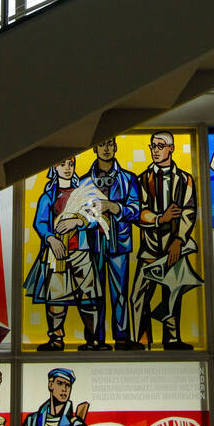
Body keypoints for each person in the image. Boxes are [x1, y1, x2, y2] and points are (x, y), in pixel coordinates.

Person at [24, 157, 105, 351]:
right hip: (57, 254)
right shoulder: (49, 195)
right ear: (54, 167)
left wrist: (79, 221)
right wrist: (51, 239)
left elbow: (96, 217)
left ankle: (93, 339)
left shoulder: (83, 193)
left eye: (70, 164)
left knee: (88, 297)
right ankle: (56, 339)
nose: (67, 168)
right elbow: (40, 222)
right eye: (62, 164)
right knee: (56, 300)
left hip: (81, 251)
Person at [131, 131, 201, 349]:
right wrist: (161, 218)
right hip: (150, 247)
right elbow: (138, 212)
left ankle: (171, 339)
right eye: (153, 145)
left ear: (171, 148)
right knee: (138, 295)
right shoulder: (142, 179)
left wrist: (179, 240)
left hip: (174, 246)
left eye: (160, 145)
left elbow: (190, 212)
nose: (155, 150)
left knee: (173, 293)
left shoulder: (185, 179)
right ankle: (139, 340)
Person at [80, 136, 140, 349]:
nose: (106, 148)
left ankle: (122, 339)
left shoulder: (128, 179)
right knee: (94, 293)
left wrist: (114, 207)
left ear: (115, 146)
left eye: (109, 144)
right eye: (102, 144)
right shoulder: (84, 181)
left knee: (120, 293)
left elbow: (136, 211)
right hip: (93, 242)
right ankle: (96, 338)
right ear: (94, 148)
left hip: (119, 243)